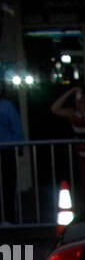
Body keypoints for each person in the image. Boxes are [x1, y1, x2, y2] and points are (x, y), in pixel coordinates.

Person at [50, 84, 85, 210]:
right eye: (81, 98)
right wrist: (70, 92)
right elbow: (54, 108)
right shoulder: (73, 113)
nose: (84, 101)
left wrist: (84, 113)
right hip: (84, 156)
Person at [0, 84, 24, 220]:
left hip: (6, 151)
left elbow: (16, 127)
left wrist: (19, 147)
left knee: (8, 185)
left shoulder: (6, 106)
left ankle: (9, 217)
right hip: (7, 149)